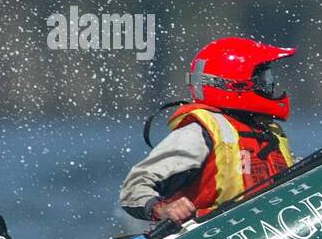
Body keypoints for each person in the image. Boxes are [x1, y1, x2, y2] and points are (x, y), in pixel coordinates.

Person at [120, 37, 296, 223]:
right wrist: (163, 209)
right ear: (235, 85)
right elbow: (134, 186)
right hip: (214, 238)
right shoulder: (198, 133)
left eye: (268, 79)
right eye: (262, 80)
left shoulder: (268, 132)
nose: (270, 86)